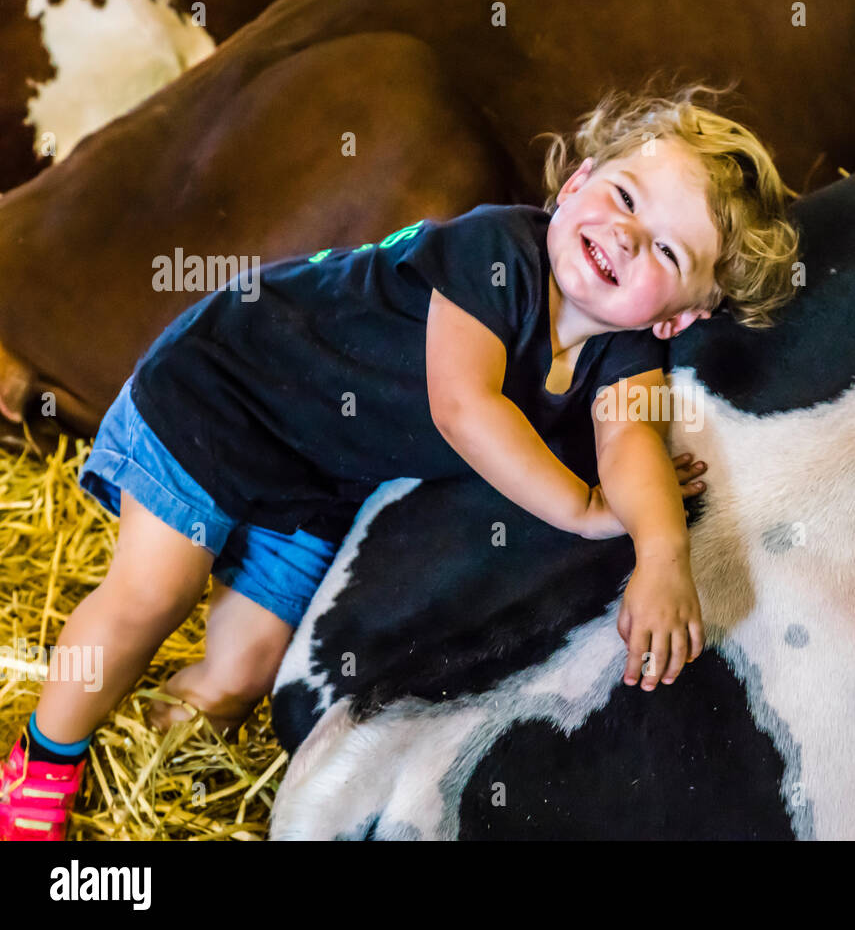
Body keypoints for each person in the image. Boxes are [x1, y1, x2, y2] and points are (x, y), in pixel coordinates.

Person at [0, 81, 800, 840]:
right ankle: (42, 765)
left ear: (681, 313)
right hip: (227, 387)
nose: (625, 234)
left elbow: (631, 443)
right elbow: (463, 407)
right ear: (578, 182)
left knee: (242, 672)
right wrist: (586, 508)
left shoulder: (628, 355)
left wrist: (660, 553)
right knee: (152, 592)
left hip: (314, 479)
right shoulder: (495, 252)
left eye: (665, 247)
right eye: (624, 196)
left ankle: (141, 765)